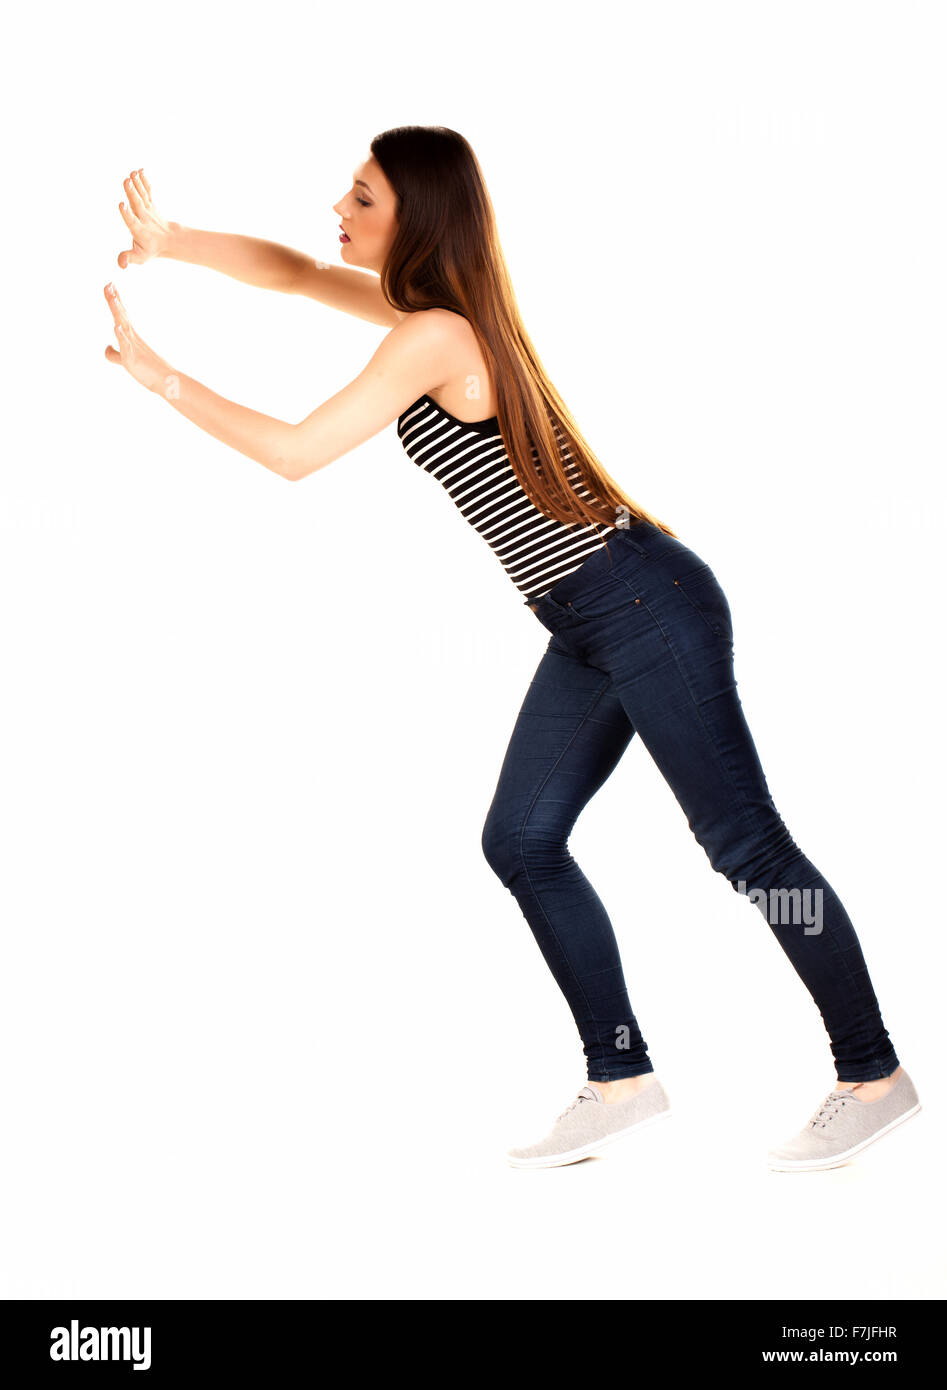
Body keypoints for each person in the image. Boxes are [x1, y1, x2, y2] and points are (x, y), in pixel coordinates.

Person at [102, 125, 921, 1172]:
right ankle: (619, 1076)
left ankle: (871, 1072)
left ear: (415, 215)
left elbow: (299, 454)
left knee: (747, 851)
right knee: (521, 841)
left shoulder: (435, 335)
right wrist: (171, 241)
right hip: (584, 620)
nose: (338, 210)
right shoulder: (431, 319)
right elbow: (300, 274)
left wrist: (157, 375)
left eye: (360, 197)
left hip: (643, 600)